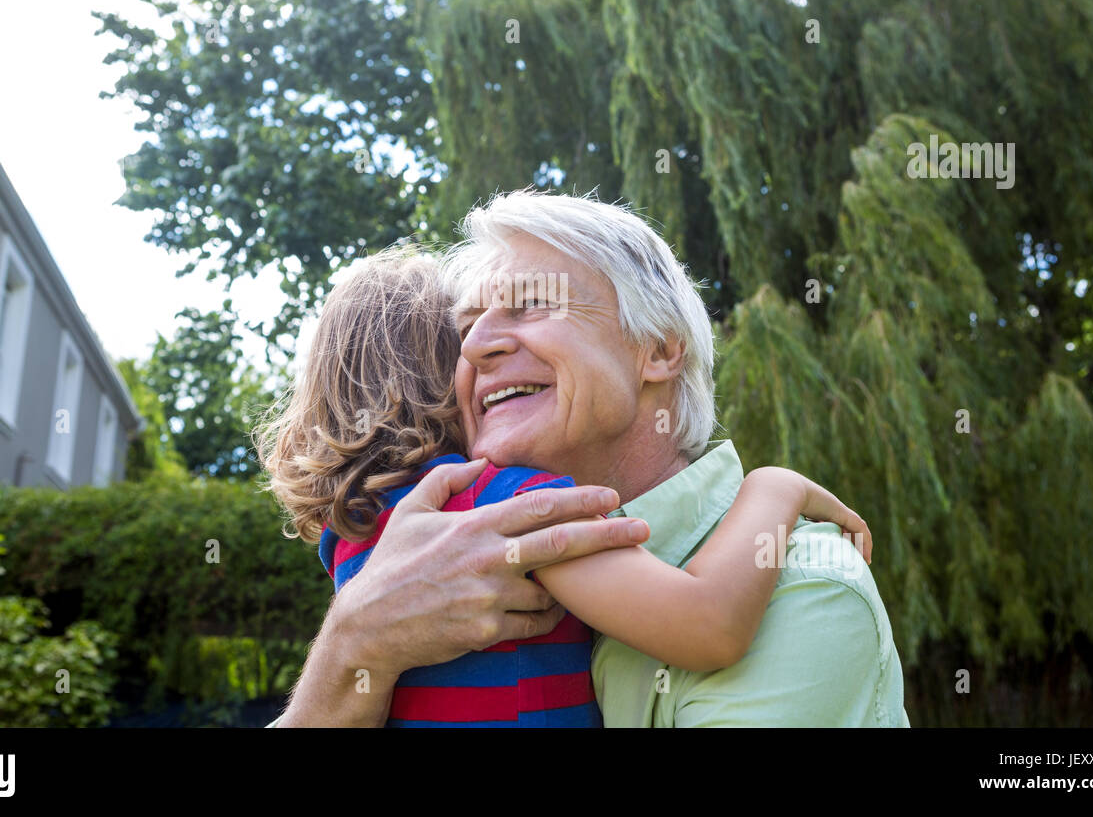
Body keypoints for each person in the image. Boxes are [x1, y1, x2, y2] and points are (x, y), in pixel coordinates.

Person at [268, 189, 910, 727]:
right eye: (464, 329)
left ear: (658, 349)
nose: (477, 347)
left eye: (533, 304)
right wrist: (353, 640)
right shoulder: (478, 539)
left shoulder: (801, 591)